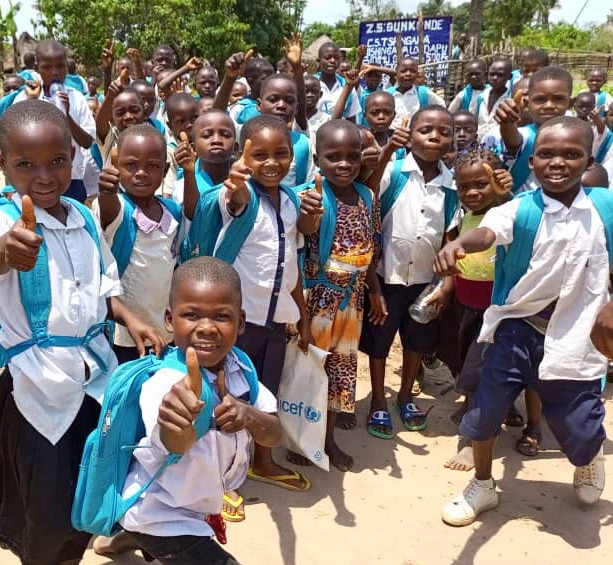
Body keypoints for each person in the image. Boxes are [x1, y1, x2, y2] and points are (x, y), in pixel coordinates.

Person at [0, 100, 163, 563]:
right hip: (38, 393)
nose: (44, 175)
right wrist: (5, 251)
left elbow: (103, 283)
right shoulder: (3, 222)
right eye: (25, 164)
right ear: (2, 164)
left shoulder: (83, 216)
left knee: (88, 489)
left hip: (92, 382)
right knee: (44, 513)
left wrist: (128, 316)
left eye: (57, 161)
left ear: (73, 157)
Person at [437, 116, 609, 526]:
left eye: (571, 155)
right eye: (547, 154)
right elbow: (490, 232)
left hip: (576, 332)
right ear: (532, 161)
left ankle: (588, 460)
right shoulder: (520, 209)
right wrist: (461, 242)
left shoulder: (604, 208)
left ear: (587, 161)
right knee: (485, 409)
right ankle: (482, 484)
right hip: (518, 327)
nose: (558, 163)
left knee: (580, 423)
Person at [116, 257, 283, 564]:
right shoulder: (166, 382)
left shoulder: (242, 368)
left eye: (222, 316)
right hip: (161, 514)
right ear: (169, 320)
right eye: (191, 315)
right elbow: (175, 444)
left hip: (195, 507)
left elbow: (273, 433)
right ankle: (133, 531)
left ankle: (119, 541)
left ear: (241, 322)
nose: (206, 327)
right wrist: (176, 422)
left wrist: (249, 414)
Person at [187, 115, 311, 492]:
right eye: (260, 155)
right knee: (226, 396)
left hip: (276, 321)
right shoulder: (239, 197)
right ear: (243, 156)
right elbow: (236, 199)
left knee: (264, 395)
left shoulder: (290, 200)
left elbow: (291, 265)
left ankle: (262, 461)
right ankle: (219, 477)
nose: (272, 163)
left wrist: (303, 317)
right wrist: (238, 185)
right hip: (239, 325)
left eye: (281, 154)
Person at [360, 105, 457, 439]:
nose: (434, 136)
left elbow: (450, 238)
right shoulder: (396, 172)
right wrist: (387, 151)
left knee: (416, 342)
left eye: (444, 132)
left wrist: (446, 283)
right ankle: (377, 400)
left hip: (423, 284)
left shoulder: (451, 186)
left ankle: (404, 396)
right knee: (379, 342)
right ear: (409, 134)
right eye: (425, 130)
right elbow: (368, 192)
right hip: (386, 279)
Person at [297, 120, 385, 471]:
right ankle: (302, 437)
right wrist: (309, 214)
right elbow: (302, 236)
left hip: (352, 302)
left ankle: (328, 438)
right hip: (318, 299)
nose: (344, 164)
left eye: (352, 156)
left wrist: (374, 288)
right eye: (333, 157)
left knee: (340, 371)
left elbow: (372, 247)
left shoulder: (367, 196)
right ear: (318, 158)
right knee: (309, 369)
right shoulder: (311, 194)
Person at [442, 147, 513, 472]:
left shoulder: (506, 212)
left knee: (478, 372)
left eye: (480, 185)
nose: (471, 193)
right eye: (463, 186)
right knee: (463, 364)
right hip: (466, 305)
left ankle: (472, 441)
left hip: (494, 311)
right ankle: (481, 409)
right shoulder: (463, 214)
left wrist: (504, 194)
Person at [93, 125, 182, 364]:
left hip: (163, 329)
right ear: (117, 166)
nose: (141, 173)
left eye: (152, 166)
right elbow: (109, 207)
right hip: (123, 333)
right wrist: (107, 190)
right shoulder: (120, 209)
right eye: (131, 165)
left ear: (164, 170)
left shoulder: (171, 211)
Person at [1, 39, 98, 203]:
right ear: (37, 68)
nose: (55, 72)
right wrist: (32, 101)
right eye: (47, 67)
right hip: (35, 180)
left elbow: (88, 142)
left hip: (72, 181)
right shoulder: (26, 98)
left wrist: (67, 116)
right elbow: (17, 140)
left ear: (66, 67)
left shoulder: (76, 98)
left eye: (60, 66)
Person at [495, 66, 572, 194]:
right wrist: (506, 121)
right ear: (528, 102)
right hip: (525, 208)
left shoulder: (577, 134)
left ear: (570, 103)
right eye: (540, 99)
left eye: (558, 99)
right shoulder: (526, 135)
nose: (549, 106)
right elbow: (512, 140)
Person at [257, 74, 315, 188]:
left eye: (289, 101)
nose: (282, 105)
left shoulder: (303, 144)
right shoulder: (247, 138)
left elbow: (310, 185)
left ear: (296, 108)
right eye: (273, 100)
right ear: (259, 105)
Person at [176, 109, 238, 217]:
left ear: (236, 147)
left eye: (225, 135)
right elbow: (193, 215)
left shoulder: (243, 186)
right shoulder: (182, 187)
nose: (216, 140)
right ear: (193, 146)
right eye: (206, 135)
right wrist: (188, 172)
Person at [387, 57, 445, 122]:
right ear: (396, 74)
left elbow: (442, 106)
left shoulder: (424, 93)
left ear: (417, 74)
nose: (408, 74)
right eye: (403, 71)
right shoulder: (387, 94)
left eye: (413, 71)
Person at [314, 42, 360, 122]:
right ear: (319, 60)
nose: (332, 61)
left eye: (336, 58)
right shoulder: (310, 83)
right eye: (328, 58)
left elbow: (351, 118)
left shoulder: (348, 85)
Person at [474, 58, 513, 143]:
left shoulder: (510, 99)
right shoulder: (481, 97)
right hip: (479, 144)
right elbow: (475, 121)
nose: (495, 78)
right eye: (492, 74)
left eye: (500, 75)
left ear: (509, 77)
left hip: (500, 145)